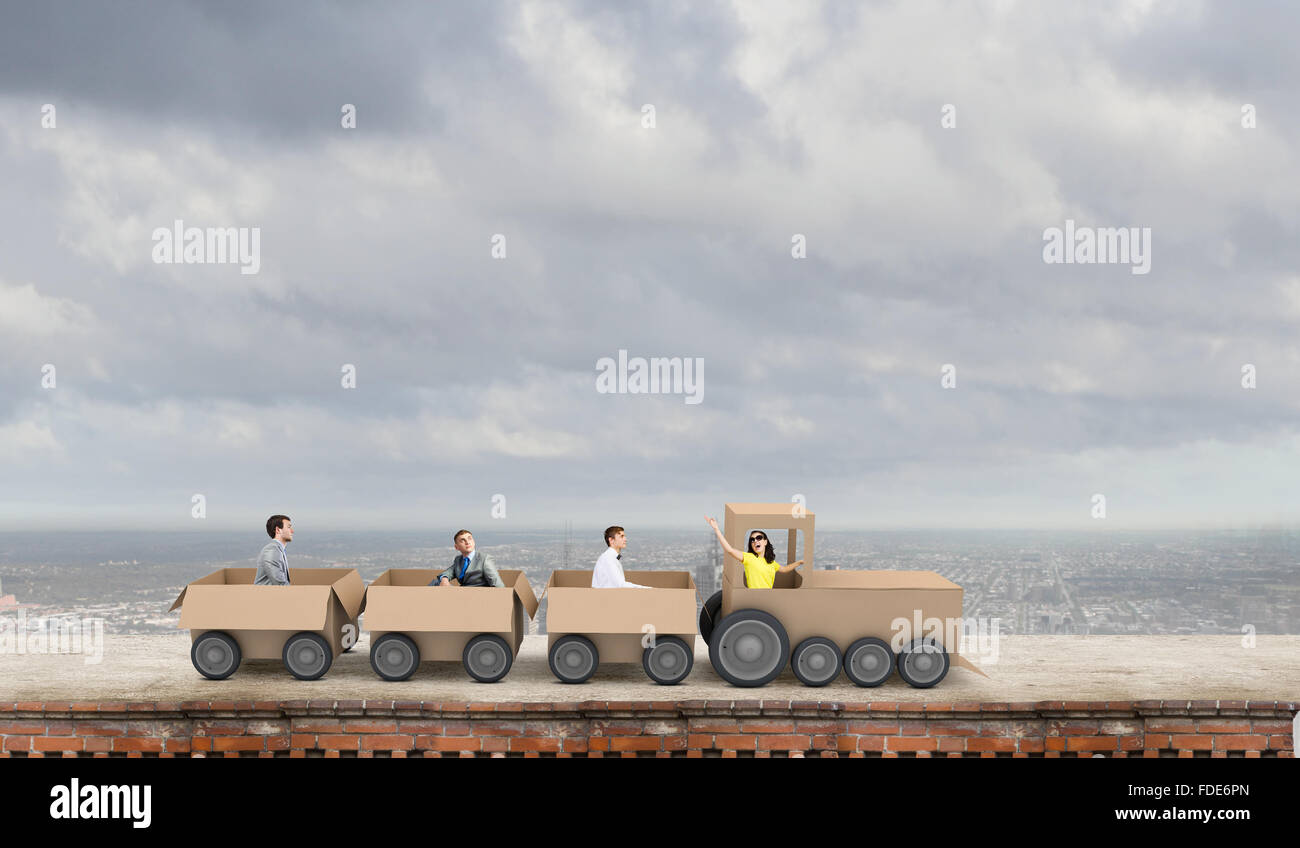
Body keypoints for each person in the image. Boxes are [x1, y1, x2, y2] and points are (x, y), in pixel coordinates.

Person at [705, 516, 802, 588]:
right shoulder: (749, 558)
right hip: (753, 599)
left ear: (765, 542)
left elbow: (784, 569)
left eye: (759, 538)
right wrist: (716, 529)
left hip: (769, 599)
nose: (755, 541)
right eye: (752, 539)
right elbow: (729, 550)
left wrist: (800, 562)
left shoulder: (771, 562)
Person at [432, 530, 505, 587]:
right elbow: (448, 572)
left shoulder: (484, 559)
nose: (467, 542)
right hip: (462, 593)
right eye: (462, 540)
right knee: (436, 582)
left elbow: (497, 584)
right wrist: (444, 578)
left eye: (469, 539)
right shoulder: (458, 559)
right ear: (456, 547)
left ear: (474, 542)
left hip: (477, 596)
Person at [256, 515, 293, 585]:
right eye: (289, 527)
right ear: (278, 530)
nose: (292, 531)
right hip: (265, 595)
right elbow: (280, 583)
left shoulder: (278, 549)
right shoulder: (271, 550)